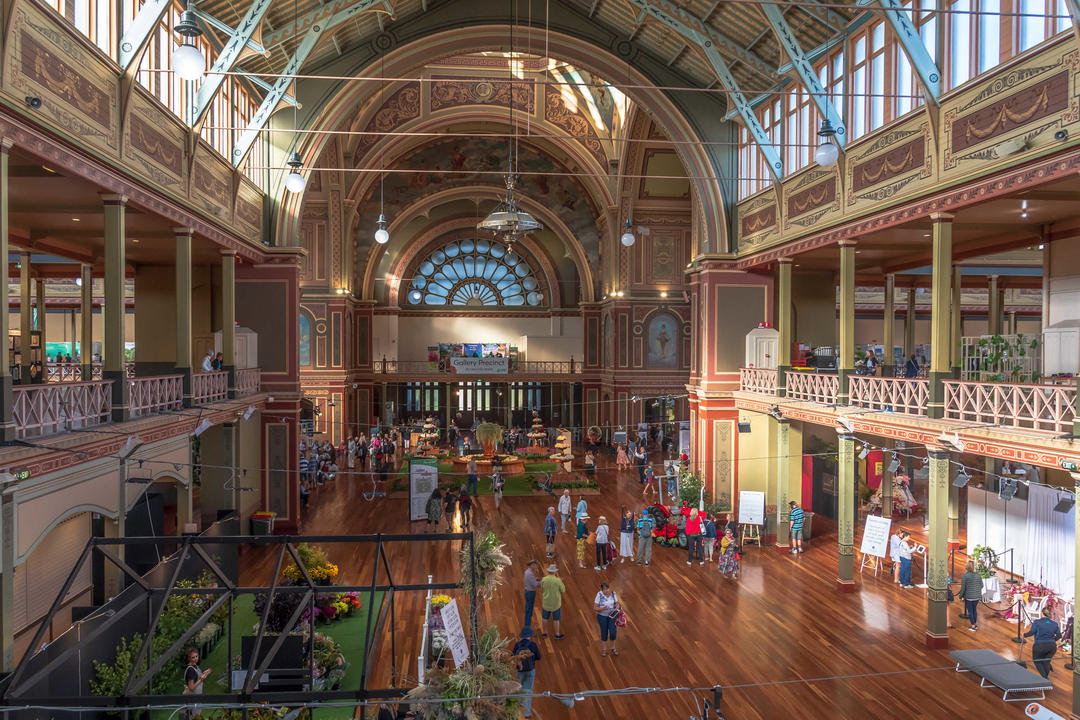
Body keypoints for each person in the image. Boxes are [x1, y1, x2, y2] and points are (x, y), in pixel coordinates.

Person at [511, 626, 541, 718]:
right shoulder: (533, 645)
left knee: (519, 689)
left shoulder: (517, 645)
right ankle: (527, 713)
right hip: (530, 670)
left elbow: (513, 656)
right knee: (527, 691)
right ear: (529, 636)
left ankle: (518, 709)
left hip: (519, 670)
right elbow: (539, 657)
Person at [1025, 607, 1062, 679]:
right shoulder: (1054, 624)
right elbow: (1059, 635)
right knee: (1046, 662)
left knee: (1037, 661)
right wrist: (1052, 640)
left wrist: (1024, 635)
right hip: (1052, 646)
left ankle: (1045, 678)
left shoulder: (1037, 622)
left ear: (1042, 613)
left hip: (1039, 646)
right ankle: (1046, 676)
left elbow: (1031, 632)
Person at [592, 582, 622, 656]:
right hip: (602, 616)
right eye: (605, 589)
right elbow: (595, 608)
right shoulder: (599, 595)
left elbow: (617, 602)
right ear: (602, 590)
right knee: (604, 631)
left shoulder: (613, 593)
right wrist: (603, 608)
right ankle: (604, 649)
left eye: (607, 589)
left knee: (613, 632)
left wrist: (617, 606)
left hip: (612, 616)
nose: (606, 591)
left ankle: (613, 647)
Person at [182, 646, 211, 717]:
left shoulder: (195, 666)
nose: (195, 659)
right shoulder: (191, 670)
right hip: (192, 699)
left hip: (196, 698)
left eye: (196, 656)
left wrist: (204, 673)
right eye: (193, 657)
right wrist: (201, 679)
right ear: (189, 658)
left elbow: (197, 678)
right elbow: (191, 687)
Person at [540, 564, 565, 639]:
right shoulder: (557, 580)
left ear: (548, 571)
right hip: (556, 603)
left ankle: (544, 633)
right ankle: (557, 634)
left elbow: (542, 589)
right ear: (555, 572)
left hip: (546, 602)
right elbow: (563, 590)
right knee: (556, 619)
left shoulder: (544, 579)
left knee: (545, 618)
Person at [958, 561, 983, 631]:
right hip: (977, 596)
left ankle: (973, 626)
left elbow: (963, 588)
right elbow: (981, 585)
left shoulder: (965, 576)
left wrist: (960, 596)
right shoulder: (978, 575)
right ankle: (975, 624)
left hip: (968, 597)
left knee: (970, 611)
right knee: (974, 609)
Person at [523, 560, 540, 627]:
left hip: (527, 592)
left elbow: (531, 581)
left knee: (528, 609)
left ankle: (527, 625)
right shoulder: (530, 574)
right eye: (535, 565)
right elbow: (535, 585)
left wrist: (535, 578)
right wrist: (544, 582)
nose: (536, 566)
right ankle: (527, 626)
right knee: (529, 610)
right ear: (532, 565)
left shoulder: (527, 572)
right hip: (530, 593)